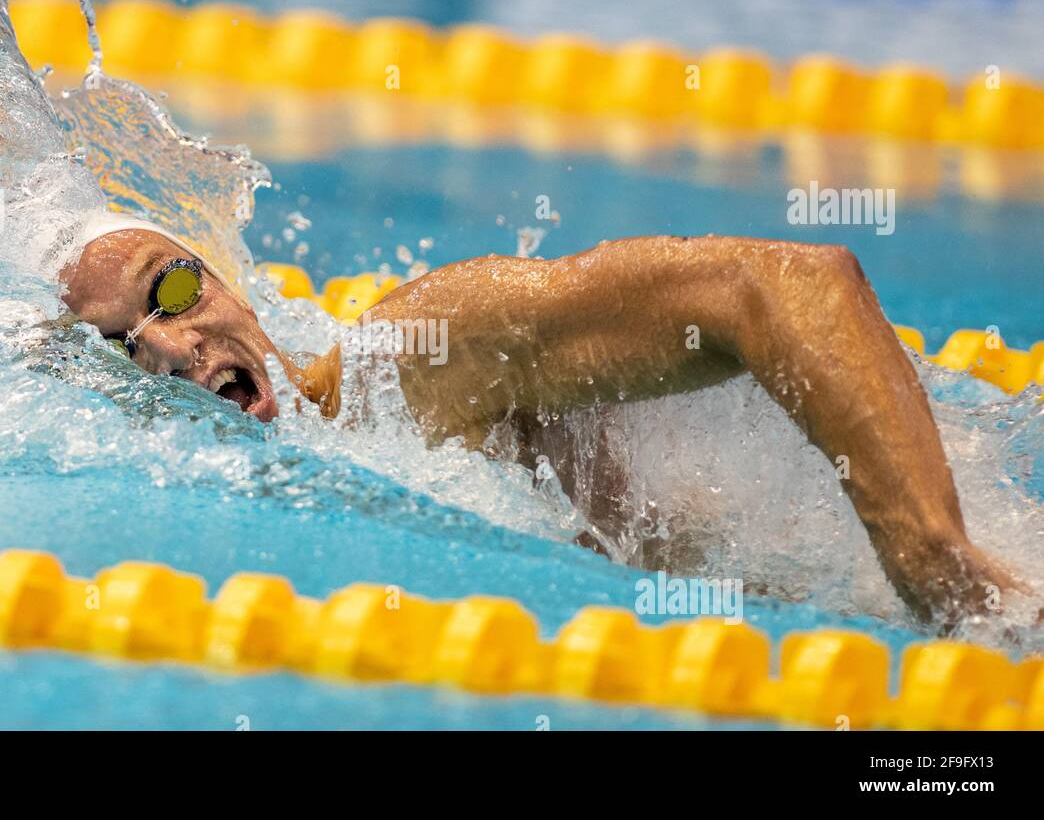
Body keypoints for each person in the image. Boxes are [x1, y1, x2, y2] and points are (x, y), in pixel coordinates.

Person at [60, 214, 1023, 627]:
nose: (172, 349)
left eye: (172, 289)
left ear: (224, 274)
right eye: (121, 346)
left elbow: (780, 286)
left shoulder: (407, 366)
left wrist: (941, 568)